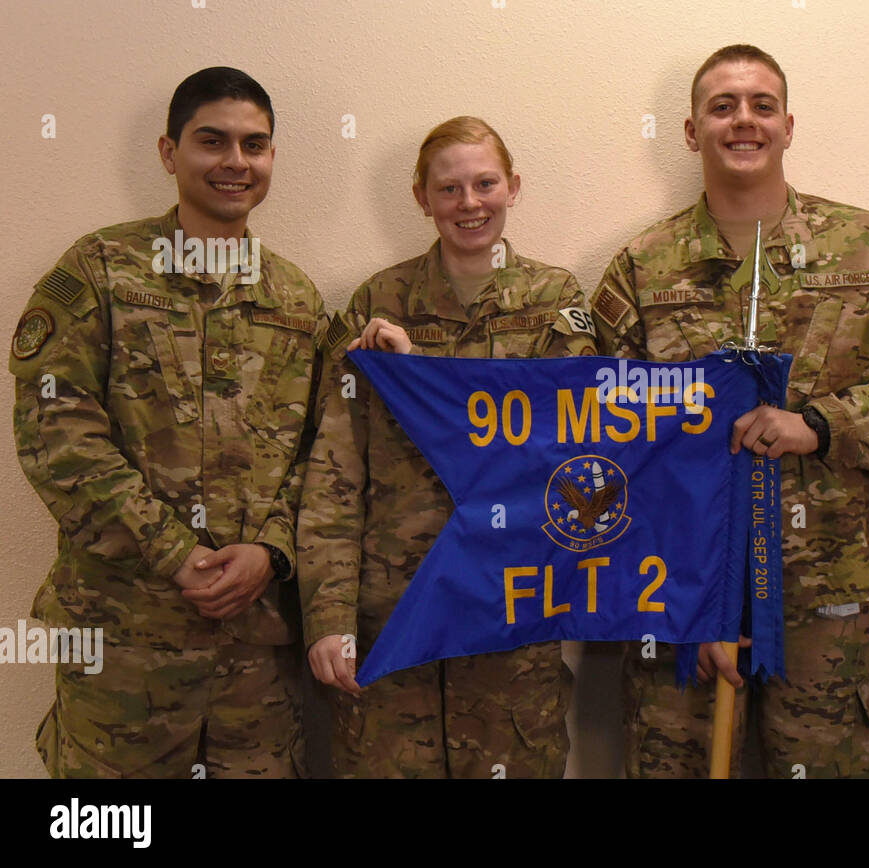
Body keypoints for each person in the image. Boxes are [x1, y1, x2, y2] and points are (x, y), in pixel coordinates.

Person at [591, 44, 869, 778]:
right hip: (679, 586)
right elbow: (597, 426)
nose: (743, 121)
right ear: (692, 132)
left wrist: (821, 426)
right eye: (721, 107)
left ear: (789, 125)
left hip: (825, 585)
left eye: (760, 105)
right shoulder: (642, 266)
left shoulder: (865, 246)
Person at [10, 67, 324, 777]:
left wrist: (272, 552)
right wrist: (172, 552)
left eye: (255, 144)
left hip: (255, 662)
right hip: (124, 652)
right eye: (212, 141)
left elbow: (322, 454)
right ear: (169, 152)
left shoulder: (298, 299)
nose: (235, 162)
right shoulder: (99, 274)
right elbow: (57, 434)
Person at [297, 116, 598, 778]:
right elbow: (333, 475)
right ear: (421, 198)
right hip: (392, 626)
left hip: (508, 624)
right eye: (450, 188)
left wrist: (423, 373)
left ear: (513, 187)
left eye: (485, 183)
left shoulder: (556, 306)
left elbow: (566, 463)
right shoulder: (377, 305)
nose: (469, 204)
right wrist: (327, 615)